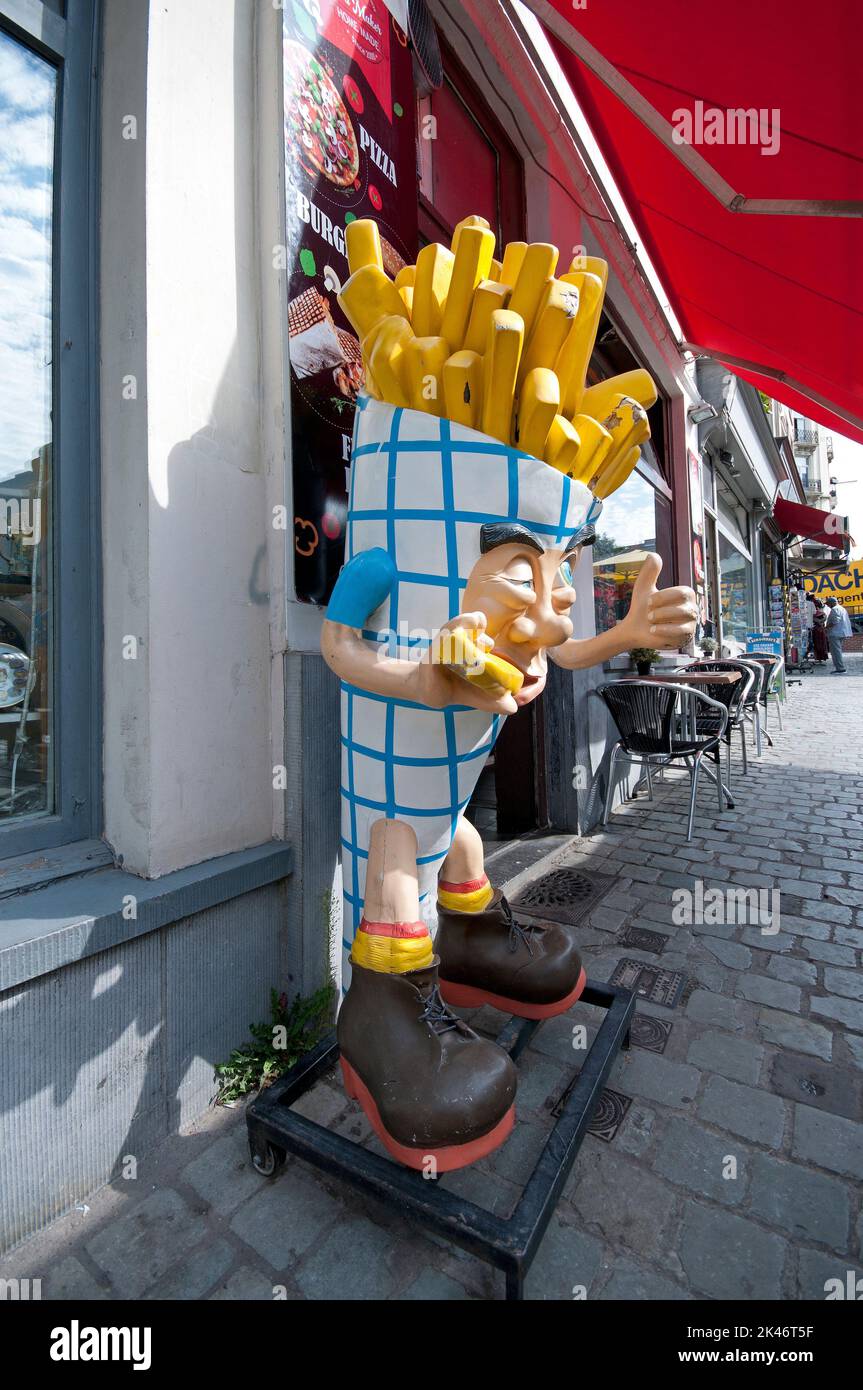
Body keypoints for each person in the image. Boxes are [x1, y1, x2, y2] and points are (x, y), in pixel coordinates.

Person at [825, 595, 852, 673]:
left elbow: (835, 621)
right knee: (837, 651)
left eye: (828, 604)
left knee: (836, 652)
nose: (827, 605)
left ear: (832, 603)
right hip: (841, 632)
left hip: (835, 633)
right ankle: (839, 668)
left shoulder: (835, 609)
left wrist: (826, 627)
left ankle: (840, 668)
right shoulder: (842, 608)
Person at [812, 597, 829, 663]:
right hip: (821, 629)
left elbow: (815, 620)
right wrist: (820, 621)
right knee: (822, 644)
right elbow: (824, 619)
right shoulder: (823, 613)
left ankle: (819, 657)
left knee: (818, 644)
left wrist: (817, 621)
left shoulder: (815, 614)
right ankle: (822, 657)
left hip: (817, 630)